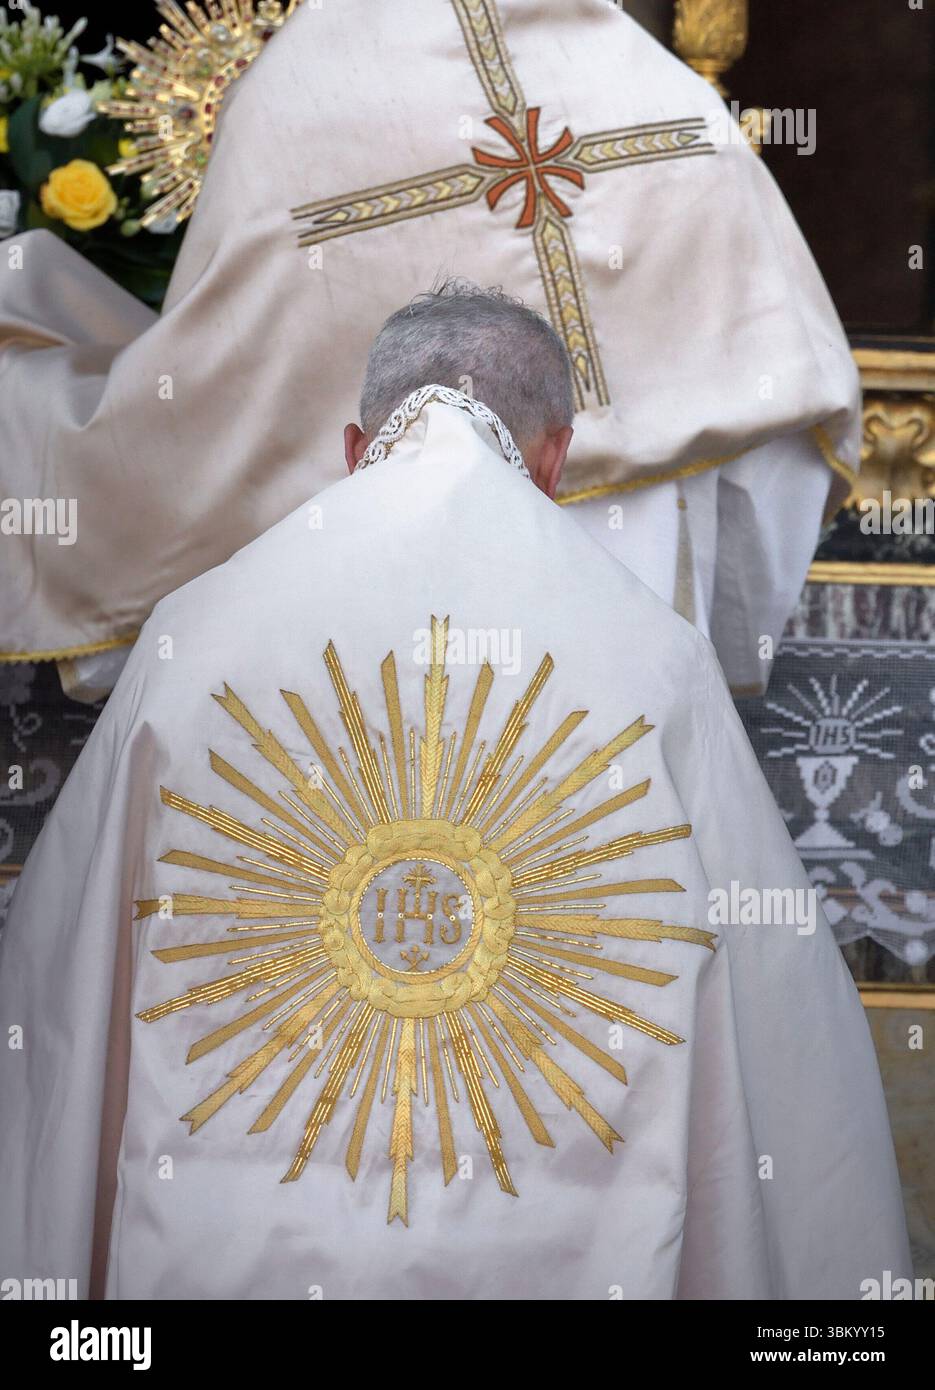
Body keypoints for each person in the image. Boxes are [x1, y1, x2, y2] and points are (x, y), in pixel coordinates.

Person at [0, 285, 907, 1300]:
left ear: (354, 446)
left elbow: (71, 978)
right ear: (555, 459)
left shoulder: (194, 631)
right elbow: (767, 1014)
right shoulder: (648, 654)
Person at [0, 0, 857, 701]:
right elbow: (781, 444)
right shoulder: (655, 88)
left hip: (359, 609)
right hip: (625, 625)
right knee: (606, 857)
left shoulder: (296, 94)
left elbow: (213, 395)